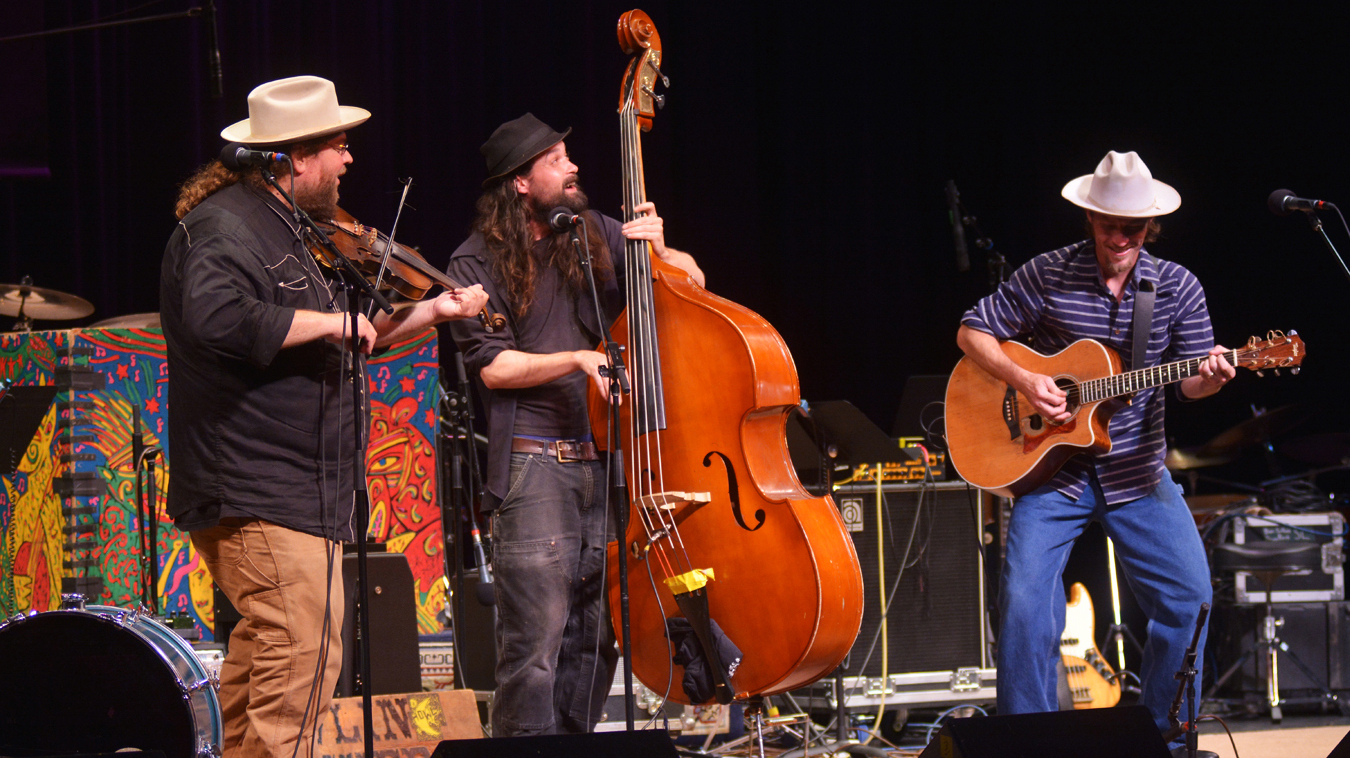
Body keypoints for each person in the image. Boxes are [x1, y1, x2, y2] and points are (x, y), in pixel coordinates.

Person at [160, 75, 488, 758]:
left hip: (298, 489)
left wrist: (432, 311)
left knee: (267, 662)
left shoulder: (295, 229)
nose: (348, 160)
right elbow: (218, 317)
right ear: (290, 158)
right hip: (255, 486)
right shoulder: (223, 228)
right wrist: (330, 322)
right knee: (300, 658)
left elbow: (354, 332)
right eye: (337, 146)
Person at [955, 151, 1233, 751]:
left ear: (1150, 226)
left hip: (1137, 472)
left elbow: (1189, 382)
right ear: (1089, 217)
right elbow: (972, 330)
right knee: (1027, 609)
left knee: (1191, 599)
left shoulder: (1178, 286)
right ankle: (1025, 742)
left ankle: (1164, 736)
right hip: (1053, 473)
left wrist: (1211, 377)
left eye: (1133, 228)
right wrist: (1029, 382)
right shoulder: (1049, 272)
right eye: (1110, 224)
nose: (1120, 237)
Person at [445, 113, 704, 737]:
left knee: (599, 640)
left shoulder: (592, 233)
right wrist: (578, 358)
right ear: (521, 184)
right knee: (533, 653)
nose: (574, 166)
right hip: (537, 468)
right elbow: (494, 369)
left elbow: (692, 285)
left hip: (610, 460)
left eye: (568, 154)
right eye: (557, 159)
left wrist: (662, 250)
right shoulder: (474, 260)